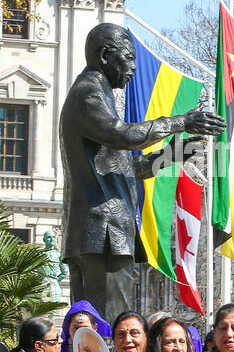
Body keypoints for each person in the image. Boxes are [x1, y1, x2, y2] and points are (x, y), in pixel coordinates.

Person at [60, 22, 223, 323]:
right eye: (128, 56)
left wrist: (175, 154)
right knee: (109, 329)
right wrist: (181, 122)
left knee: (99, 327)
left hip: (103, 233)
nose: (133, 66)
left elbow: (126, 167)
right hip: (102, 233)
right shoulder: (88, 95)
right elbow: (123, 135)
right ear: (106, 55)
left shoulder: (98, 95)